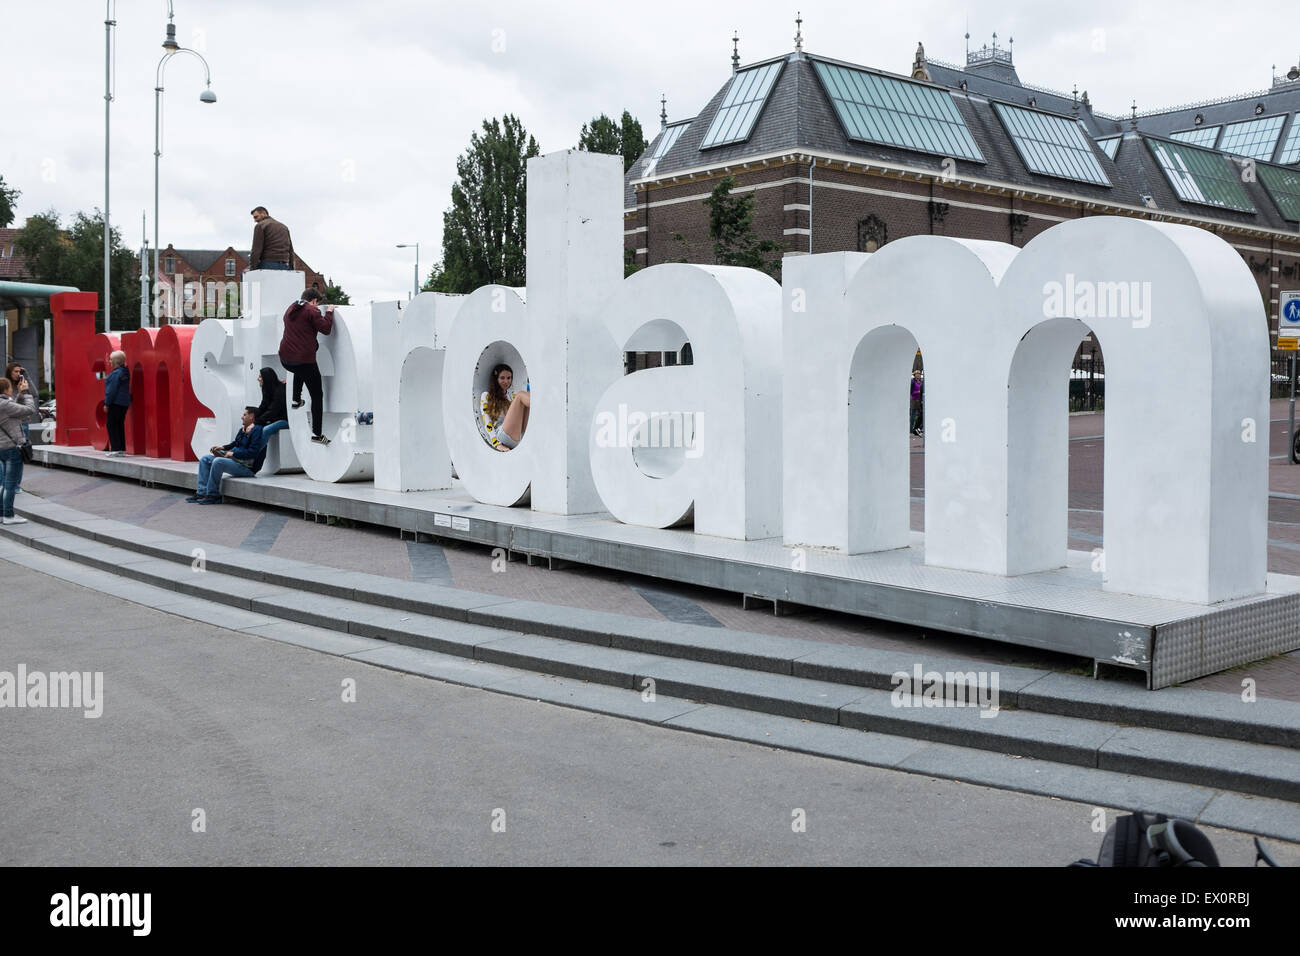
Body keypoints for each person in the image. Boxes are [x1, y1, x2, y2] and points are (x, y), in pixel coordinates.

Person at [278, 289, 334, 445]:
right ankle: (317, 434)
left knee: (299, 368)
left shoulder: (291, 308)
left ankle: (296, 399)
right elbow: (326, 329)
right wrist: (329, 312)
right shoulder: (312, 311)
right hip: (303, 360)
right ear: (314, 300)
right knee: (317, 396)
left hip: (285, 358)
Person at [187, 406, 266, 505]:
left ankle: (213, 495)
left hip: (247, 468)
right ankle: (201, 493)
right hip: (236, 461)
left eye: (244, 415)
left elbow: (253, 452)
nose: (242, 417)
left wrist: (233, 453)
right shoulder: (243, 429)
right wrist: (223, 448)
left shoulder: (257, 430)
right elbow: (235, 443)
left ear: (252, 417)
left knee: (218, 461)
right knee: (205, 459)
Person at [0, 374, 41, 524]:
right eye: (11, 387)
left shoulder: (4, 404)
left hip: (2, 448)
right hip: (12, 448)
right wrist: (27, 393)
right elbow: (29, 410)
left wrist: (20, 394)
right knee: (10, 484)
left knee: (4, 483)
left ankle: (1, 514)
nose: (13, 389)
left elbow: (13, 411)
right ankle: (9, 515)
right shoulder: (4, 404)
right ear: (5, 390)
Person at [479, 363, 529, 451]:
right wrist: (496, 444)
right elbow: (487, 421)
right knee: (521, 395)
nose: (506, 381)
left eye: (509, 378)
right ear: (496, 379)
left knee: (525, 397)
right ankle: (543, 406)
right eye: (502, 378)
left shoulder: (511, 396)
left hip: (518, 435)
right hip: (502, 435)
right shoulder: (486, 396)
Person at [249, 206, 294, 271]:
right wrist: (291, 268)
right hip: (284, 265)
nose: (255, 220)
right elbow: (290, 250)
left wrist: (252, 269)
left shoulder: (260, 226)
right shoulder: (284, 227)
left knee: (244, 273)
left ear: (264, 213)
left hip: (267, 264)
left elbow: (256, 250)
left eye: (256, 217)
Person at [254, 366, 289, 447]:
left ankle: (251, 456)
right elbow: (263, 406)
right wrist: (253, 419)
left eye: (260, 376)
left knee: (265, 430)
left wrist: (257, 422)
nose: (258, 379)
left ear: (266, 378)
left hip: (285, 420)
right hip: (275, 419)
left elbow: (273, 410)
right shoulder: (267, 389)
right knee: (254, 428)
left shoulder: (280, 390)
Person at [104, 350, 130, 456]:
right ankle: (121, 449)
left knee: (111, 425)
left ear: (115, 362)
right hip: (124, 403)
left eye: (111, 359)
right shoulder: (125, 372)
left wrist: (107, 403)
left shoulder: (115, 374)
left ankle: (115, 449)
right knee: (119, 425)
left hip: (115, 403)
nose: (109, 361)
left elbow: (111, 390)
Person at [909, 369, 924, 437]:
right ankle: (911, 430)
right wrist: (917, 392)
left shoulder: (920, 382)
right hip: (914, 400)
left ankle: (917, 429)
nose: (918, 375)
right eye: (917, 374)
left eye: (919, 374)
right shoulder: (913, 382)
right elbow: (911, 392)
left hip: (919, 400)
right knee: (913, 416)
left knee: (920, 416)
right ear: (914, 375)